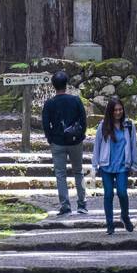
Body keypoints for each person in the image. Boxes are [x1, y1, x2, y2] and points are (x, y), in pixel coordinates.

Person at [41, 69, 88, 215]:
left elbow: (45, 124)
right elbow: (83, 120)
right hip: (75, 141)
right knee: (78, 172)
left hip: (57, 142)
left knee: (60, 174)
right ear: (66, 84)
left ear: (53, 85)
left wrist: (50, 139)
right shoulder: (75, 100)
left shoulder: (49, 103)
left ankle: (65, 205)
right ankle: (82, 204)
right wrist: (80, 136)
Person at [91, 97, 137, 234]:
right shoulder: (103, 126)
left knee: (122, 192)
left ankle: (125, 216)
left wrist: (134, 165)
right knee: (108, 194)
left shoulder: (129, 126)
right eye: (115, 110)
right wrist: (94, 166)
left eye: (120, 109)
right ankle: (110, 224)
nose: (118, 112)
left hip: (123, 166)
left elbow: (133, 146)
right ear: (110, 112)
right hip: (106, 166)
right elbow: (97, 146)